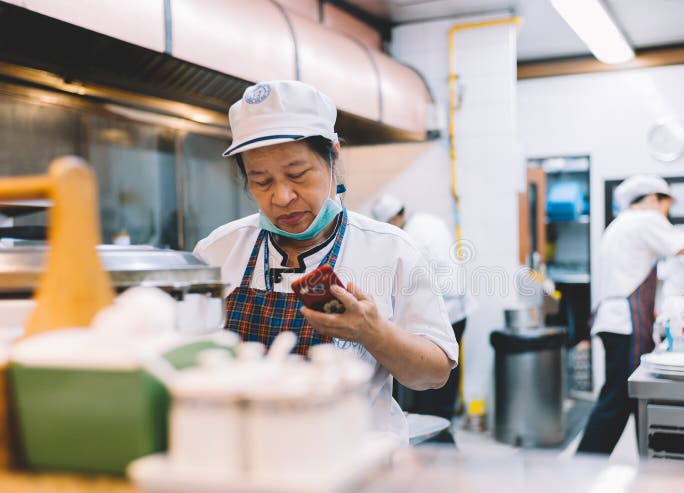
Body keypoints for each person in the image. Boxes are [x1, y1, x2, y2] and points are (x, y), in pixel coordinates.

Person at [193, 81, 458, 443]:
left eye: (298, 174)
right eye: (261, 180)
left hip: (356, 468)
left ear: (334, 158)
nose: (282, 197)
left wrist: (373, 333)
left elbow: (434, 374)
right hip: (243, 461)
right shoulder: (217, 253)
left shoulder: (390, 251)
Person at [577, 175, 684, 455]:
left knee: (634, 397)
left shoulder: (620, 223)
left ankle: (648, 463)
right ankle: (584, 464)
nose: (666, 212)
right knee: (619, 397)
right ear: (653, 199)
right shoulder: (645, 220)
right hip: (625, 322)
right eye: (667, 204)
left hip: (614, 319)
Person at [371, 195, 476, 422]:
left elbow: (410, 284)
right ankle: (441, 425)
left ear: (394, 218)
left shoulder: (409, 237)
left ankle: (435, 431)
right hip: (459, 309)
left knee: (432, 382)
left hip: (444, 311)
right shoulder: (429, 220)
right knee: (447, 376)